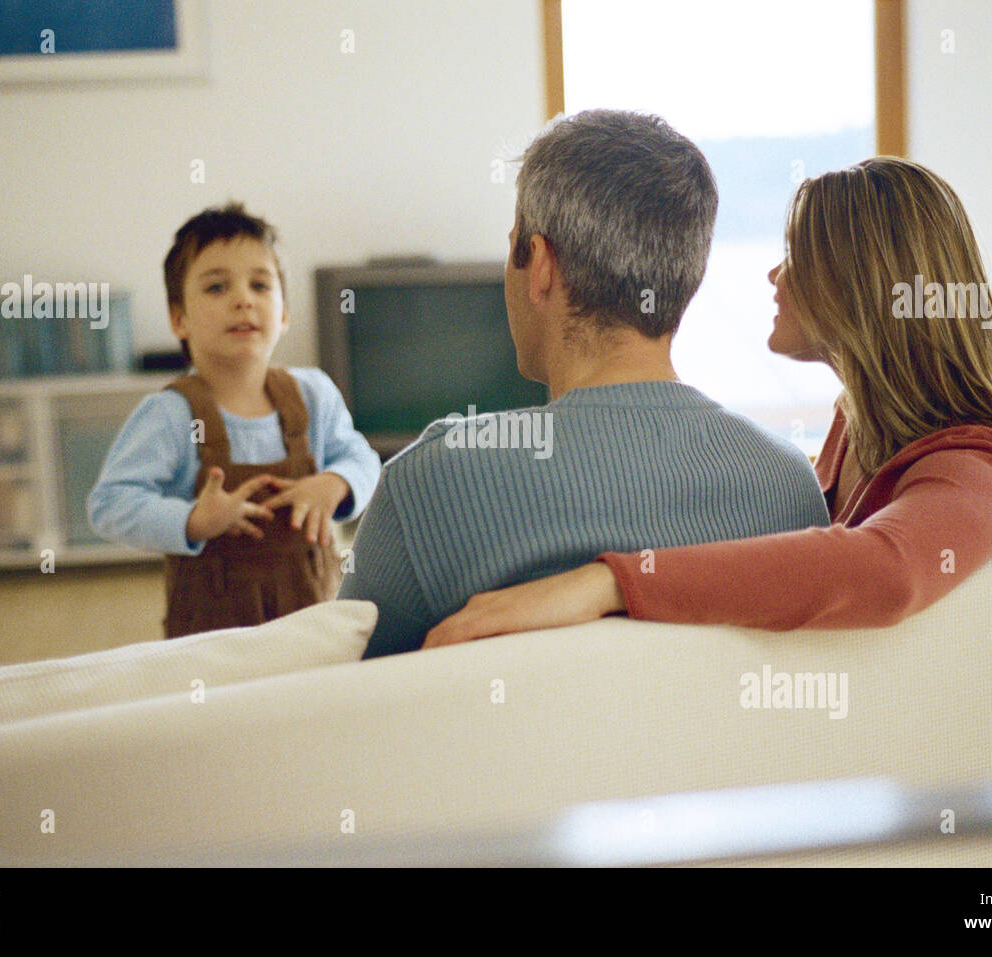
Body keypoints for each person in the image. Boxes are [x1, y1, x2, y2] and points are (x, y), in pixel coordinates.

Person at [423, 156, 992, 648]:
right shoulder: (855, 426)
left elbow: (888, 570)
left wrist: (608, 581)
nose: (775, 276)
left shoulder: (981, 461)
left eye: (799, 255)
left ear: (863, 286)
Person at [339, 110, 831, 659]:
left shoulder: (428, 487)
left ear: (541, 265)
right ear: (686, 273)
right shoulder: (788, 487)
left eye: (513, 250)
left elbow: (349, 705)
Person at [88, 203, 381, 638]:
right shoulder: (170, 415)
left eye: (260, 285)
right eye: (217, 287)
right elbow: (109, 506)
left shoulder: (314, 394)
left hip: (315, 623)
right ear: (178, 319)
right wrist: (191, 521)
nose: (243, 299)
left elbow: (363, 458)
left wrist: (338, 482)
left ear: (283, 315)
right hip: (211, 641)